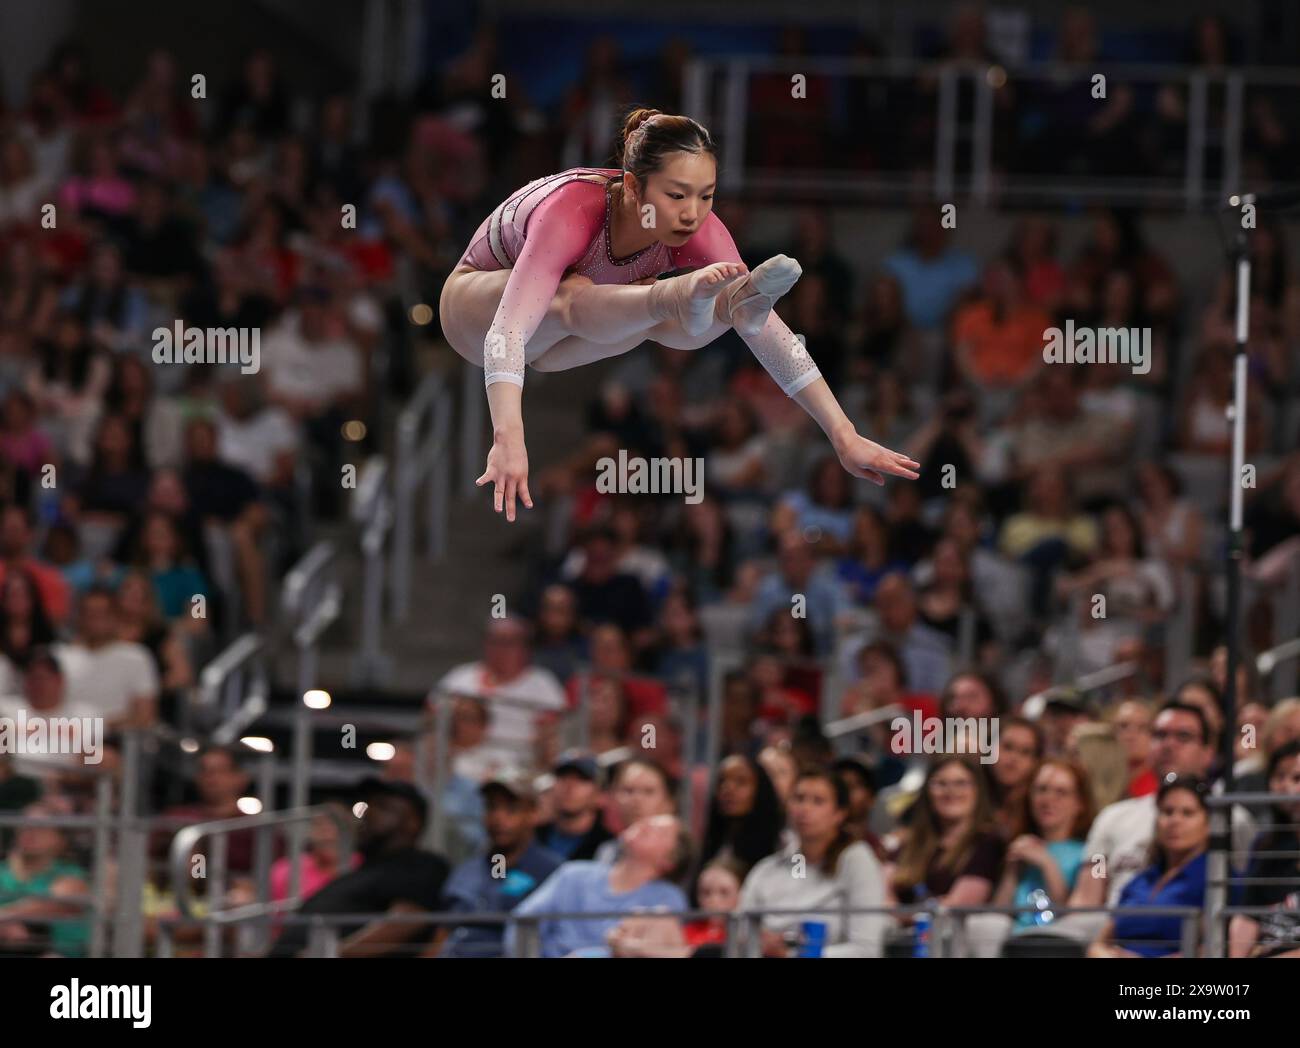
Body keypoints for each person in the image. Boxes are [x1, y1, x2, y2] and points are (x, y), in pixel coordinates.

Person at [438, 106, 919, 524]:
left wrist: (843, 432)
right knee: (576, 296)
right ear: (631, 185)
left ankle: (708, 305)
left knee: (712, 316)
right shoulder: (571, 212)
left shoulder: (697, 230)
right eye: (676, 195)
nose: (692, 213)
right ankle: (677, 297)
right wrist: (509, 436)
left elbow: (774, 333)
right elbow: (507, 331)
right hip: (479, 313)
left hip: (563, 340)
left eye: (706, 195)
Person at [1064, 700, 1256, 944]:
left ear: (1208, 753)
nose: (1169, 744)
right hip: (1113, 928)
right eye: (1160, 735)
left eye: (1183, 736)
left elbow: (1241, 898)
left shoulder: (1231, 819)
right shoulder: (1113, 818)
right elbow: (1087, 897)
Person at [267, 778, 448, 958]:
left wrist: (331, 954)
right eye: (367, 807)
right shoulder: (361, 870)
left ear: (412, 823)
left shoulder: (423, 865)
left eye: (382, 807)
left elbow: (406, 921)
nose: (367, 815)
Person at [739, 769, 889, 957]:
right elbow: (740, 935)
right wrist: (760, 944)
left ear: (839, 813)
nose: (805, 809)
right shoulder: (772, 868)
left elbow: (867, 950)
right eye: (799, 798)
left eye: (818, 801)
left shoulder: (857, 860)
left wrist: (792, 955)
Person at [507, 813, 691, 958]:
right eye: (647, 821)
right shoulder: (573, 874)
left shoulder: (666, 898)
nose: (645, 825)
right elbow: (523, 921)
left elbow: (649, 952)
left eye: (661, 831)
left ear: (669, 861)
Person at [433, 770, 564, 958]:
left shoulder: (552, 871)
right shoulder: (474, 868)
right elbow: (443, 932)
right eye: (491, 807)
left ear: (534, 813)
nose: (498, 818)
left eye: (511, 809)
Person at [1088, 776, 1213, 958]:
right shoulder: (1140, 881)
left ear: (1208, 823)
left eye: (1188, 813)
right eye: (1168, 812)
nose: (1175, 821)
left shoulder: (1216, 880)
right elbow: (1099, 944)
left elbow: (1215, 948)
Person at [886, 756, 1005, 916]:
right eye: (941, 784)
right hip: (901, 939)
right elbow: (881, 893)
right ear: (927, 792)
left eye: (961, 783)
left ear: (978, 790)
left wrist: (899, 913)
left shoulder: (988, 843)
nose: (951, 792)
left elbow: (956, 908)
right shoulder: (911, 843)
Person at [993, 759, 1093, 931]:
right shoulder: (1022, 847)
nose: (1048, 800)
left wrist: (1046, 864)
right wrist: (1012, 870)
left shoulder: (1088, 853)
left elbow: (1073, 919)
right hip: (1014, 943)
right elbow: (997, 914)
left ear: (1079, 803)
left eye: (1061, 792)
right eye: (1041, 790)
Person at [1228, 740, 1300, 958]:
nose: (1287, 786)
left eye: (1297, 778)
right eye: (1279, 777)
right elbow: (1248, 915)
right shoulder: (1266, 844)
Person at [0, 798, 89, 957]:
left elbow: (56, 904)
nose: (30, 832)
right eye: (24, 825)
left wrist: (5, 917)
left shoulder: (70, 875)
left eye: (41, 827)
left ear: (61, 840)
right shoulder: (3, 870)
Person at [697, 754, 785, 879]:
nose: (728, 789)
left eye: (741, 781)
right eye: (722, 781)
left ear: (760, 790)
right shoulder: (713, 845)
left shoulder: (780, 847)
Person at [533, 751, 614, 861]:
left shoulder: (609, 848)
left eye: (582, 779)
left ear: (600, 795)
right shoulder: (530, 837)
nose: (569, 786)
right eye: (563, 777)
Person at [595, 758, 677, 863]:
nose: (637, 799)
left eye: (648, 791)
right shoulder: (606, 852)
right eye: (628, 790)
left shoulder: (677, 856)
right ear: (614, 797)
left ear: (669, 802)